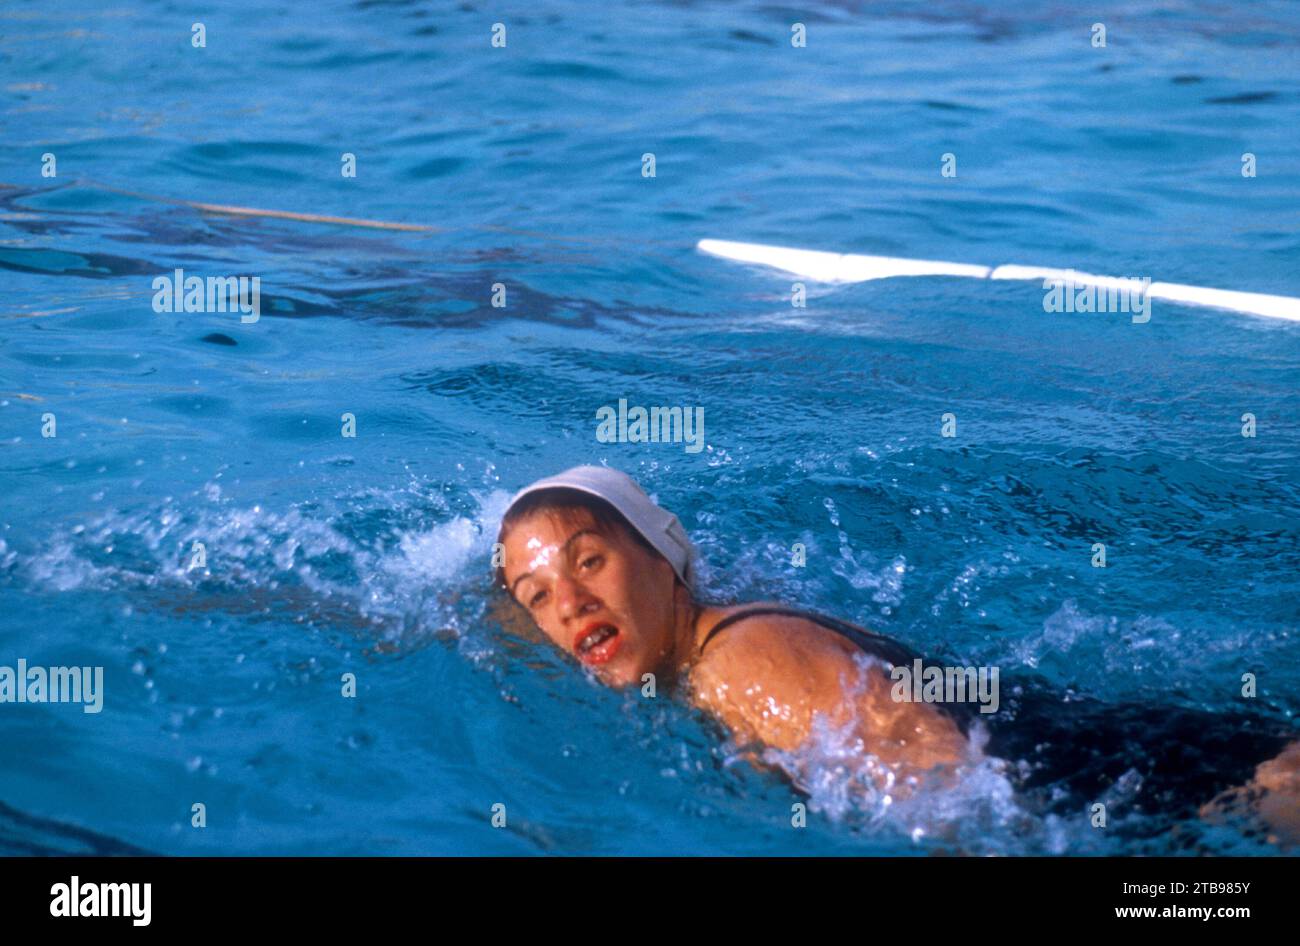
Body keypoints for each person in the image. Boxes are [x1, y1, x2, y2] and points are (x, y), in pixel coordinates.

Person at [494, 465, 1299, 845]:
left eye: (589, 562)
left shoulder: (742, 662)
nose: (569, 606)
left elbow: (945, 777)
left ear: (663, 560)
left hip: (1160, 787)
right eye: (537, 596)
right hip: (1129, 756)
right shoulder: (714, 634)